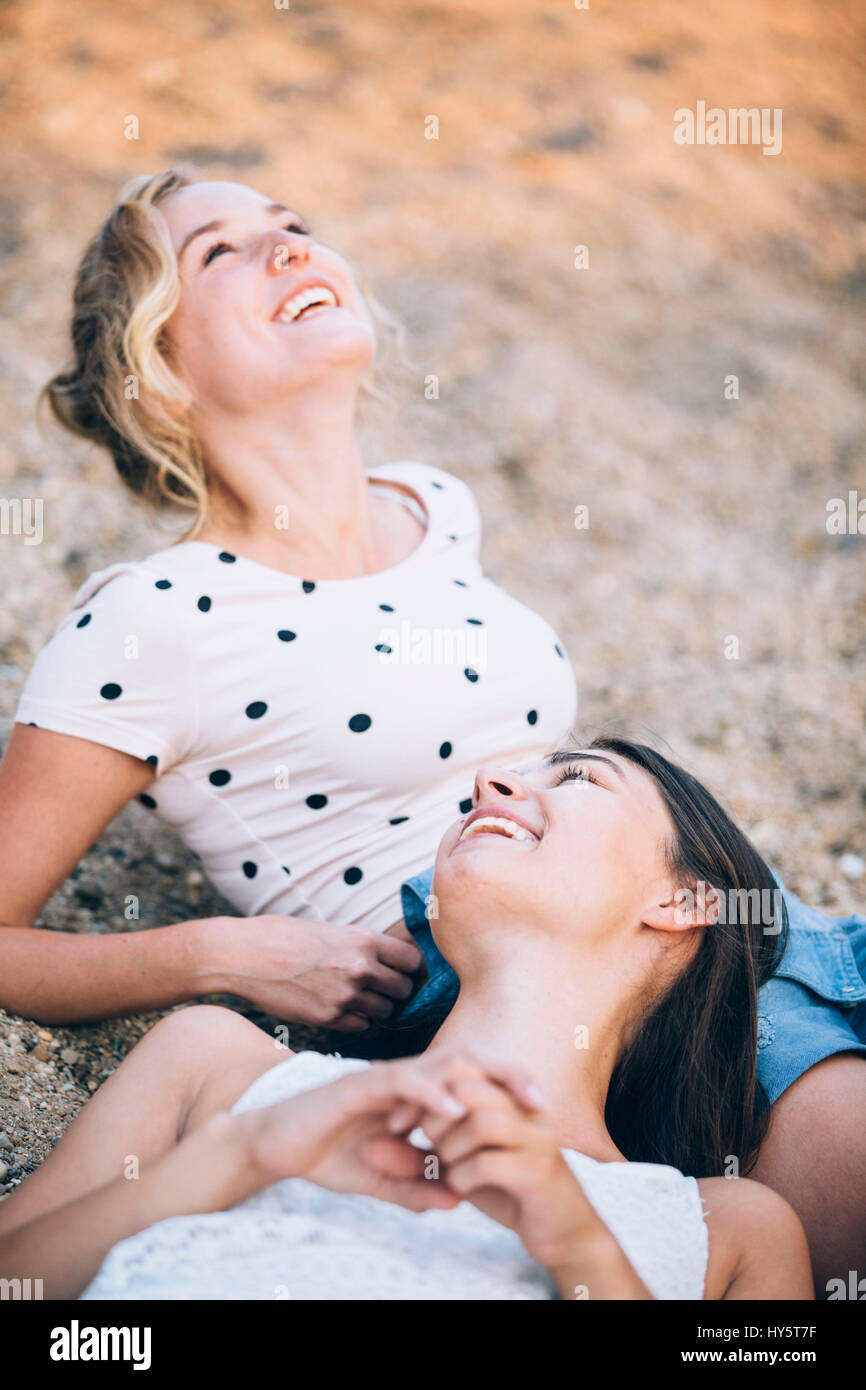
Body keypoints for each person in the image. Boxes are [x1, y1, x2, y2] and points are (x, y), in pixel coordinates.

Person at [0, 743, 814, 1300]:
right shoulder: (219, 1061)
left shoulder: (733, 1227)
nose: (489, 785)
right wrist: (246, 1151)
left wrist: (581, 1247)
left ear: (685, 901)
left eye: (580, 780)